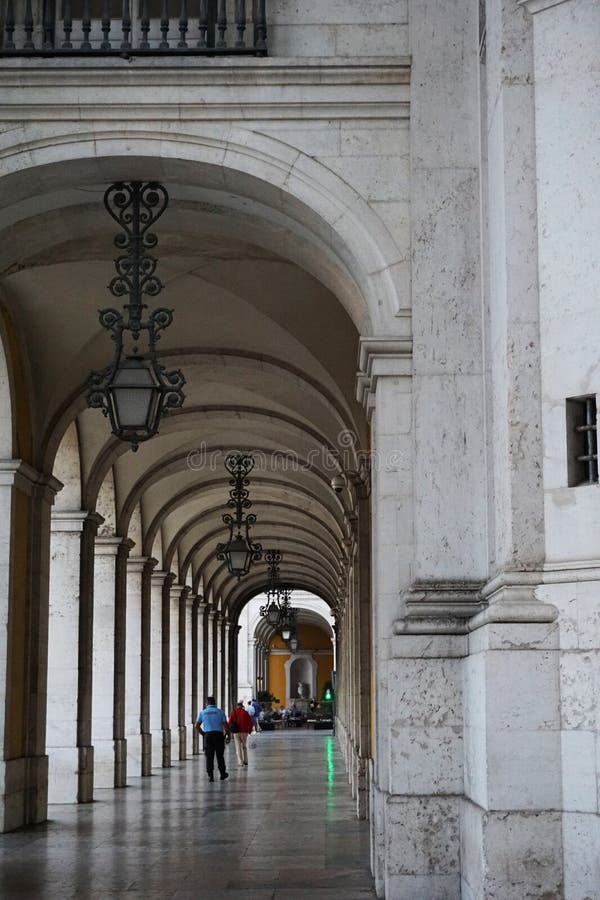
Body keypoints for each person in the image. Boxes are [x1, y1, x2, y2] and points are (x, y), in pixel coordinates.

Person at [196, 696, 230, 782]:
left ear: (206, 703)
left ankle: (210, 775)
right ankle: (222, 774)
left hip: (208, 736)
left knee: (209, 757)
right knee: (220, 756)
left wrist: (203, 734)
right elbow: (225, 725)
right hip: (218, 735)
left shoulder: (202, 713)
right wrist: (228, 735)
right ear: (215, 703)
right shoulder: (220, 712)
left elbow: (196, 726)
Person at [228, 701, 253, 766]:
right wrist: (249, 731)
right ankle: (246, 761)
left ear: (237, 706)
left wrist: (229, 731)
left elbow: (230, 722)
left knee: (238, 747)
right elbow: (250, 722)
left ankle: (240, 762)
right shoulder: (245, 713)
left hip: (236, 732)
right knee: (244, 747)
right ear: (242, 706)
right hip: (244, 732)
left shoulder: (233, 713)